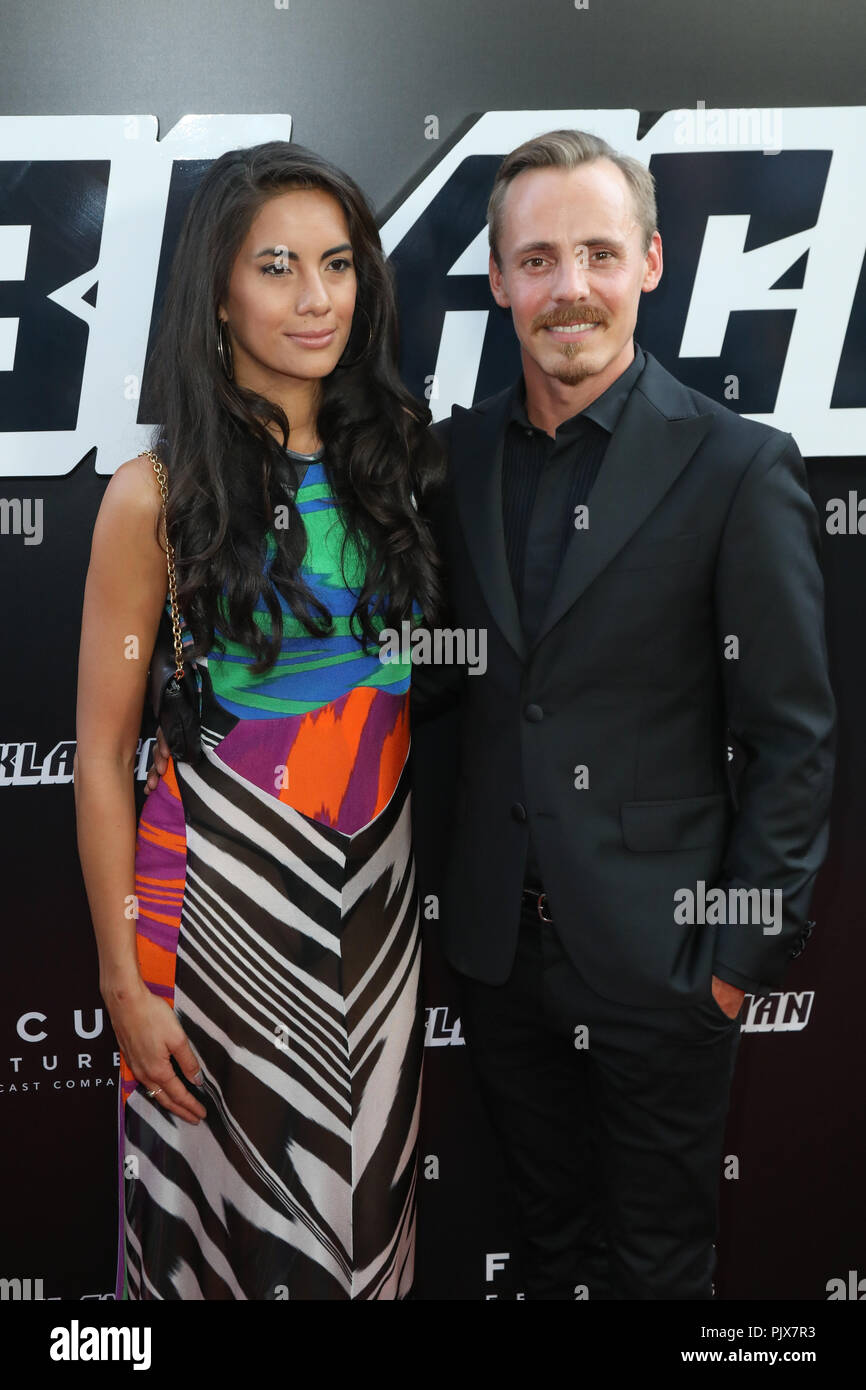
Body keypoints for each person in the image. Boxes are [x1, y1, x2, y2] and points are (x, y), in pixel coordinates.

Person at [415, 128, 836, 1299]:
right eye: (537, 260)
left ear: (650, 262)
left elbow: (790, 740)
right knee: (550, 1255)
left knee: (659, 1273)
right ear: (497, 281)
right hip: (499, 958)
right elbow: (440, 671)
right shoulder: (453, 461)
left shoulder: (737, 467)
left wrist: (732, 965)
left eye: (597, 253)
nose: (569, 289)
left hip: (662, 963)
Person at [74, 140, 443, 1300]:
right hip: (207, 927)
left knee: (361, 1232)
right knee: (219, 1242)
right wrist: (124, 987)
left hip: (371, 925)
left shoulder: (399, 471)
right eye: (277, 267)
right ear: (219, 292)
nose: (315, 298)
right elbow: (96, 756)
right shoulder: (155, 497)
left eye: (336, 265)